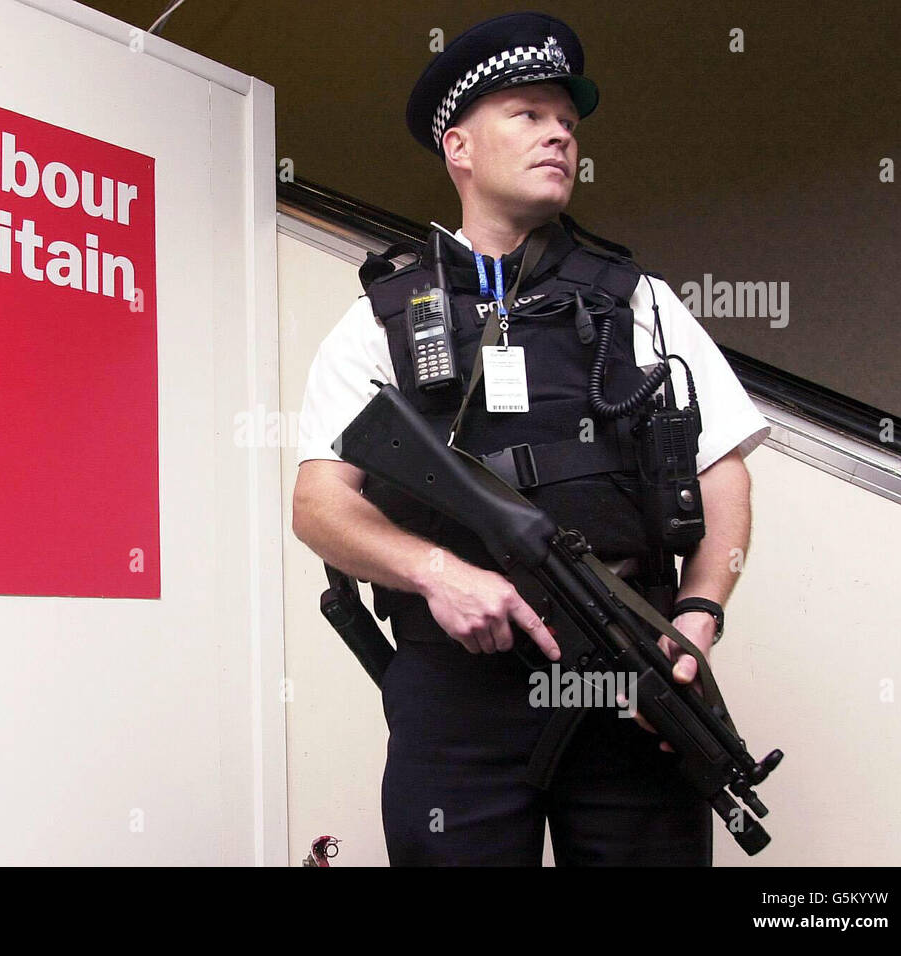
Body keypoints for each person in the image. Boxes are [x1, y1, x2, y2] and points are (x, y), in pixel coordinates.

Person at [290, 12, 771, 865]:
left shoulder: (640, 300)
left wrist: (698, 615)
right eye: (528, 114)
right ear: (459, 148)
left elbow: (722, 467)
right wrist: (437, 572)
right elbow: (320, 505)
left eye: (569, 123)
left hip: (623, 675)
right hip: (457, 689)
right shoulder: (380, 319)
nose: (558, 135)